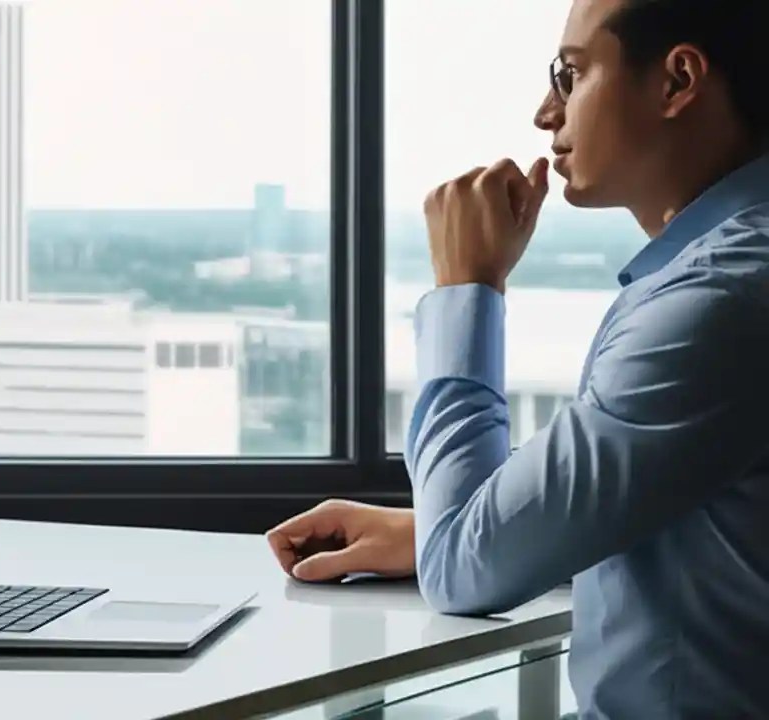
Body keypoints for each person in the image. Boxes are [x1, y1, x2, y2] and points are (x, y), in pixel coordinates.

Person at [266, 0, 769, 716]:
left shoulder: (716, 304)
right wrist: (438, 531)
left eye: (571, 75)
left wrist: (467, 287)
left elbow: (460, 574)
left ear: (677, 80)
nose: (544, 113)